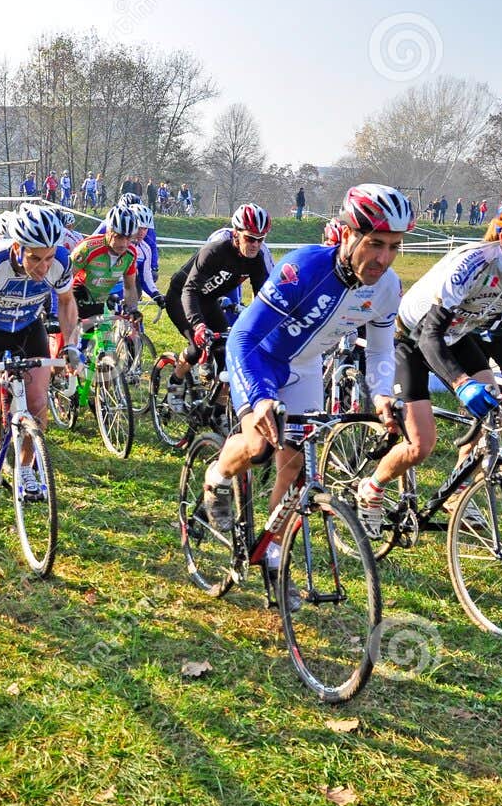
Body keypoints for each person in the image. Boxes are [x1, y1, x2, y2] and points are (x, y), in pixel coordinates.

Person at [198, 185, 411, 599]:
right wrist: (259, 398)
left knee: (295, 466)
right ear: (349, 235)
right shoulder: (304, 269)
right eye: (375, 244)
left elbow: (382, 347)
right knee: (260, 445)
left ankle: (274, 551)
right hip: (259, 358)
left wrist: (383, 395)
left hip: (306, 365)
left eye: (394, 247)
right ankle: (218, 475)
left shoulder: (387, 287)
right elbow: (243, 335)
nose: (383, 259)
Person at [369, 192, 502, 532]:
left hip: (457, 336)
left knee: (491, 415)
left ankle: (457, 495)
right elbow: (429, 335)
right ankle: (371, 489)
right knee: (421, 446)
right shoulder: (472, 264)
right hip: (413, 337)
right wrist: (461, 383)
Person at [0, 203, 79, 500]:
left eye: (48, 258)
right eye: (35, 258)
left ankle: (25, 470)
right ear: (18, 248)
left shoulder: (60, 261)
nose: (43, 267)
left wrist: (70, 343)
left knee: (37, 407)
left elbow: (68, 302)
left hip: (29, 329)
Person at [163, 203, 274, 386]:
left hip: (208, 300)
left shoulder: (257, 260)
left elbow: (262, 298)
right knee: (198, 348)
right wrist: (198, 325)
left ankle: (219, 411)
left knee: (226, 353)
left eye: (260, 239)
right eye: (250, 238)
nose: (255, 245)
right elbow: (189, 290)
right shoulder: (215, 251)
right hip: (181, 297)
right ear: (236, 233)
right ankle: (175, 383)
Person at [65, 205, 142, 358]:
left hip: (99, 302)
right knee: (70, 352)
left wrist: (132, 308)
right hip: (76, 297)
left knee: (106, 351)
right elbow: (64, 278)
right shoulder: (88, 247)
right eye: (119, 237)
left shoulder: (130, 254)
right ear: (108, 231)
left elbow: (130, 286)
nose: (124, 244)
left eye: (129, 238)